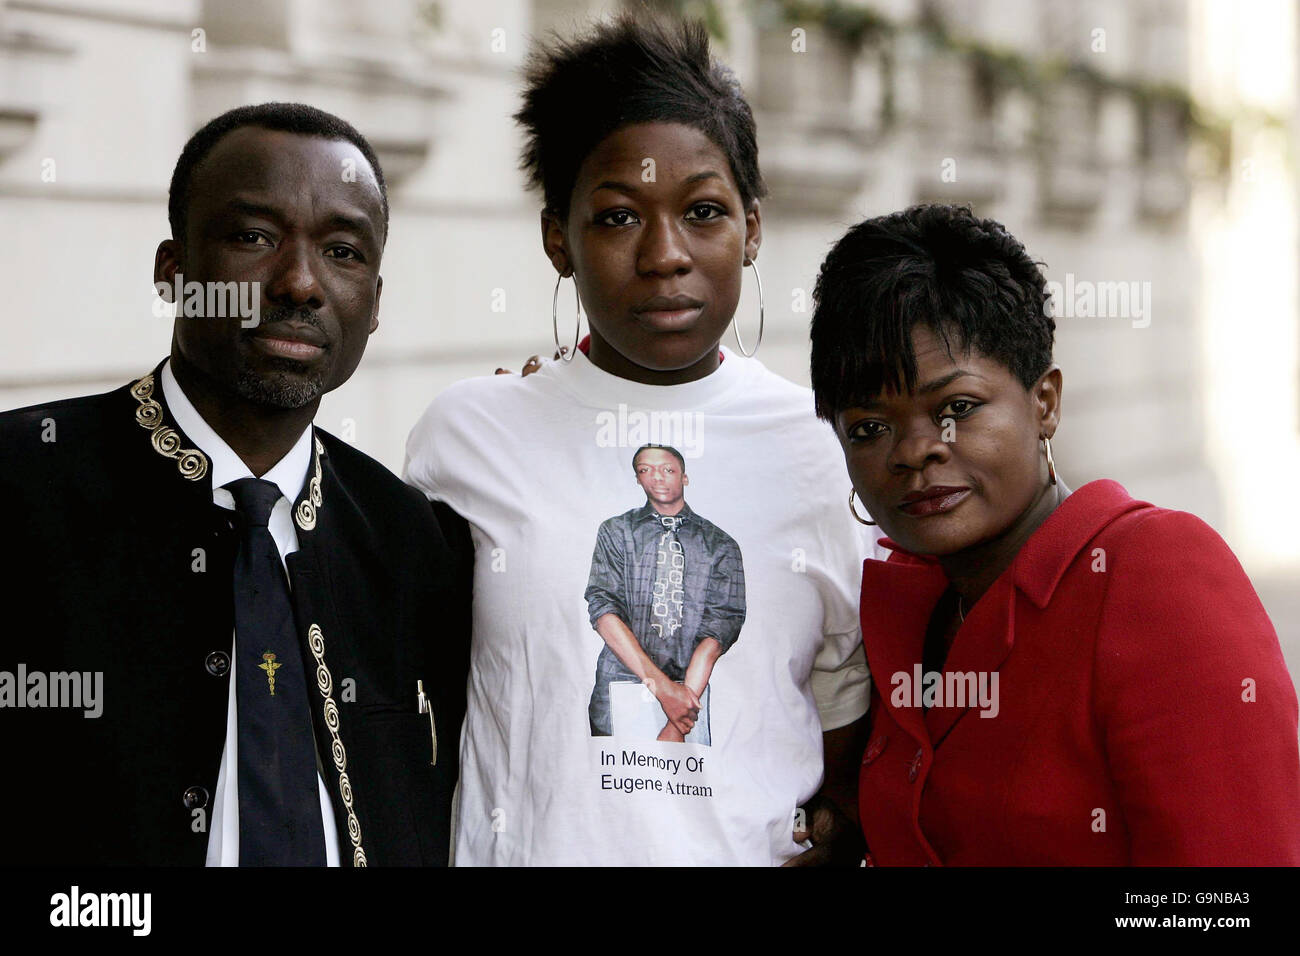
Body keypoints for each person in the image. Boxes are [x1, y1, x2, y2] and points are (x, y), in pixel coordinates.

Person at [405, 15, 879, 866]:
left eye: (703, 211)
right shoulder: (469, 437)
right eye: (619, 218)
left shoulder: (828, 454)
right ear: (560, 239)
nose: (666, 255)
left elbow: (849, 744)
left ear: (754, 227)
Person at [0, 103, 471, 866]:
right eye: (253, 237)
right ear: (173, 272)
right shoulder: (23, 485)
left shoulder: (412, 544)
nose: (298, 282)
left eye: (343, 251)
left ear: (375, 305)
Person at [809, 202, 1300, 865]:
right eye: (870, 426)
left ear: (1044, 403)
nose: (914, 450)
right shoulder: (908, 610)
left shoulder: (1154, 577)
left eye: (957, 408)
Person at [585, 443, 745, 743]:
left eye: (667, 469)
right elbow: (604, 609)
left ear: (684, 477)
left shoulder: (721, 545)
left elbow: (722, 626)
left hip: (689, 696)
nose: (657, 477)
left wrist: (677, 721)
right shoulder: (615, 531)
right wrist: (661, 688)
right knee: (614, 784)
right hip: (618, 686)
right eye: (646, 470)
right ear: (638, 479)